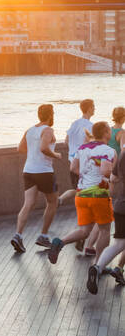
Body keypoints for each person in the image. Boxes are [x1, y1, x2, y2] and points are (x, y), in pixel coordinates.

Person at [47, 120, 116, 269]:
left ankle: (60, 242)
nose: (110, 132)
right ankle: (99, 266)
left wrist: (87, 176)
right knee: (104, 230)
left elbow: (73, 167)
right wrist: (114, 177)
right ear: (105, 133)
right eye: (108, 130)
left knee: (84, 231)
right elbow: (105, 171)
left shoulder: (82, 148)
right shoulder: (108, 150)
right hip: (99, 196)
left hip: (81, 194)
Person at [11, 104, 59, 253]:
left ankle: (18, 235)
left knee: (28, 204)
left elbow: (20, 148)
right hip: (44, 171)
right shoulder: (48, 130)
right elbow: (44, 148)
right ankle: (43, 235)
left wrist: (33, 153)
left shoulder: (30, 130)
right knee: (52, 202)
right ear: (50, 115)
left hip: (29, 170)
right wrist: (56, 155)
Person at [88, 147, 125, 292]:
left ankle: (97, 268)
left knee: (119, 244)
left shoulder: (123, 153)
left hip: (121, 205)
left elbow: (113, 178)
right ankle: (118, 269)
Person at [59, 99, 95, 205]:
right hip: (84, 162)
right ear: (89, 109)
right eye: (93, 106)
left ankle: (61, 199)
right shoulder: (90, 126)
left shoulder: (74, 123)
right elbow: (91, 144)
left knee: (79, 189)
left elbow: (66, 141)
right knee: (87, 189)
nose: (94, 109)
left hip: (72, 161)